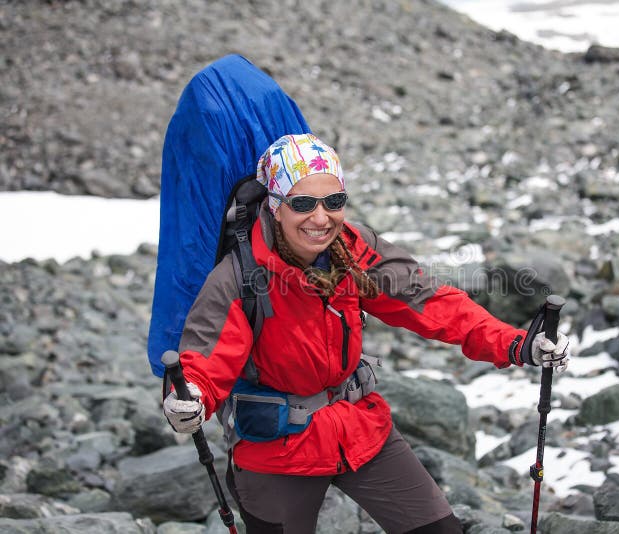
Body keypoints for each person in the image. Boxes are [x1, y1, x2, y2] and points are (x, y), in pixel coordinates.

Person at [163, 133, 569, 534]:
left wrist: (517, 344)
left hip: (358, 428)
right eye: (302, 203)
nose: (321, 218)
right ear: (275, 207)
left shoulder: (353, 250)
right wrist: (190, 398)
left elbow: (430, 302)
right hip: (276, 452)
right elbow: (205, 358)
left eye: (334, 201)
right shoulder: (240, 277)